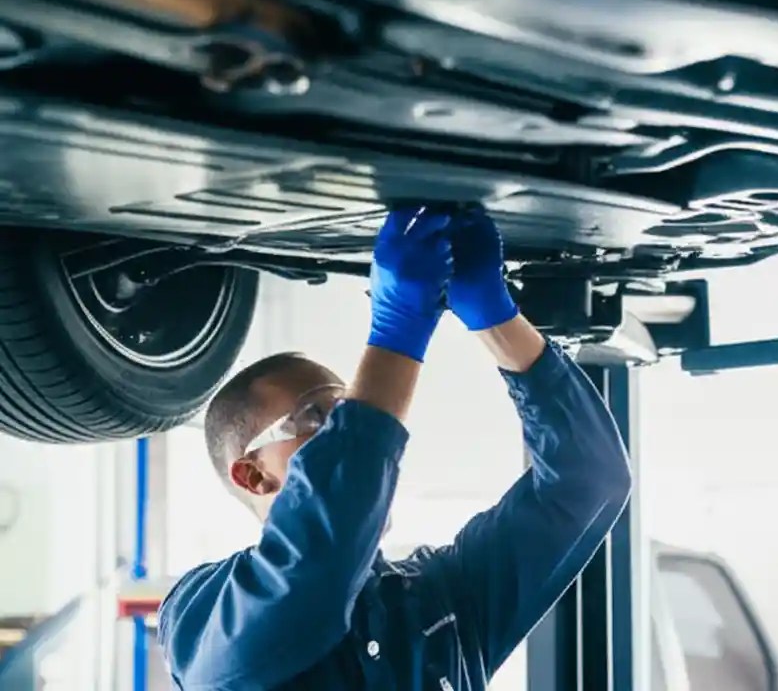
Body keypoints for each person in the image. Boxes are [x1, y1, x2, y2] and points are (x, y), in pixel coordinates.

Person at [157, 206, 632, 690]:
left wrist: (497, 318)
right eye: (318, 418)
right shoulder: (204, 619)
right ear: (254, 475)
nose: (353, 432)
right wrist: (396, 332)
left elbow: (588, 480)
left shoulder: (443, 598)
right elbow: (316, 568)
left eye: (347, 411)